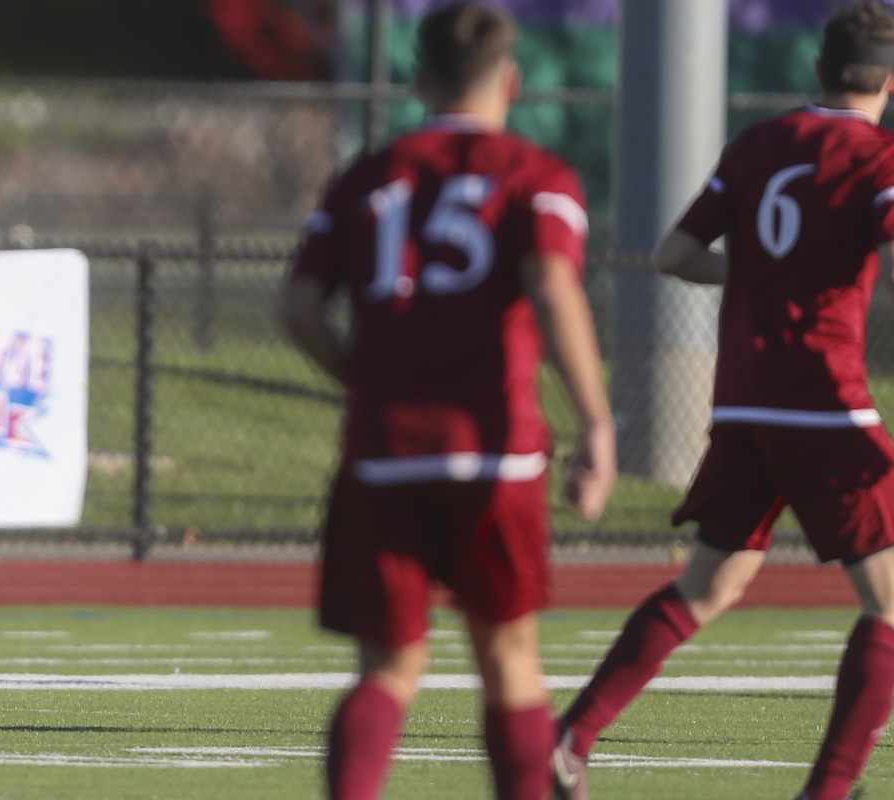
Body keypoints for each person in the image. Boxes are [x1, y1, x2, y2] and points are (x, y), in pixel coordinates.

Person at [553, 4, 894, 798]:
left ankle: (571, 738)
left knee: (709, 584)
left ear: (819, 70)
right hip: (824, 402)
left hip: (743, 403)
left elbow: (675, 254)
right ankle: (829, 791)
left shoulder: (758, 145)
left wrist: (751, 276)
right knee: (890, 607)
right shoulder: (877, 159)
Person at [278, 3, 616, 798]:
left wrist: (361, 377)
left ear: (420, 80)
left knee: (389, 669)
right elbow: (551, 283)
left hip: (383, 451)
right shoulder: (538, 175)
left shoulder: (366, 175)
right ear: (513, 81)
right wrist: (596, 422)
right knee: (510, 662)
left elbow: (297, 308)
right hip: (494, 452)